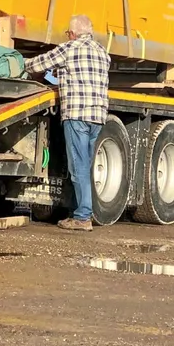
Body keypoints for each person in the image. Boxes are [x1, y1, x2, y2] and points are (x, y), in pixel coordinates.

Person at [24, 15, 110, 232]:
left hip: (77, 114)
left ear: (72, 33)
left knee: (77, 167)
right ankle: (77, 211)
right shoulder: (102, 52)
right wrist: (60, 74)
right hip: (97, 116)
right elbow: (81, 75)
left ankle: (82, 217)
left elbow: (38, 64)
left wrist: (18, 62)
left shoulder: (69, 49)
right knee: (85, 165)